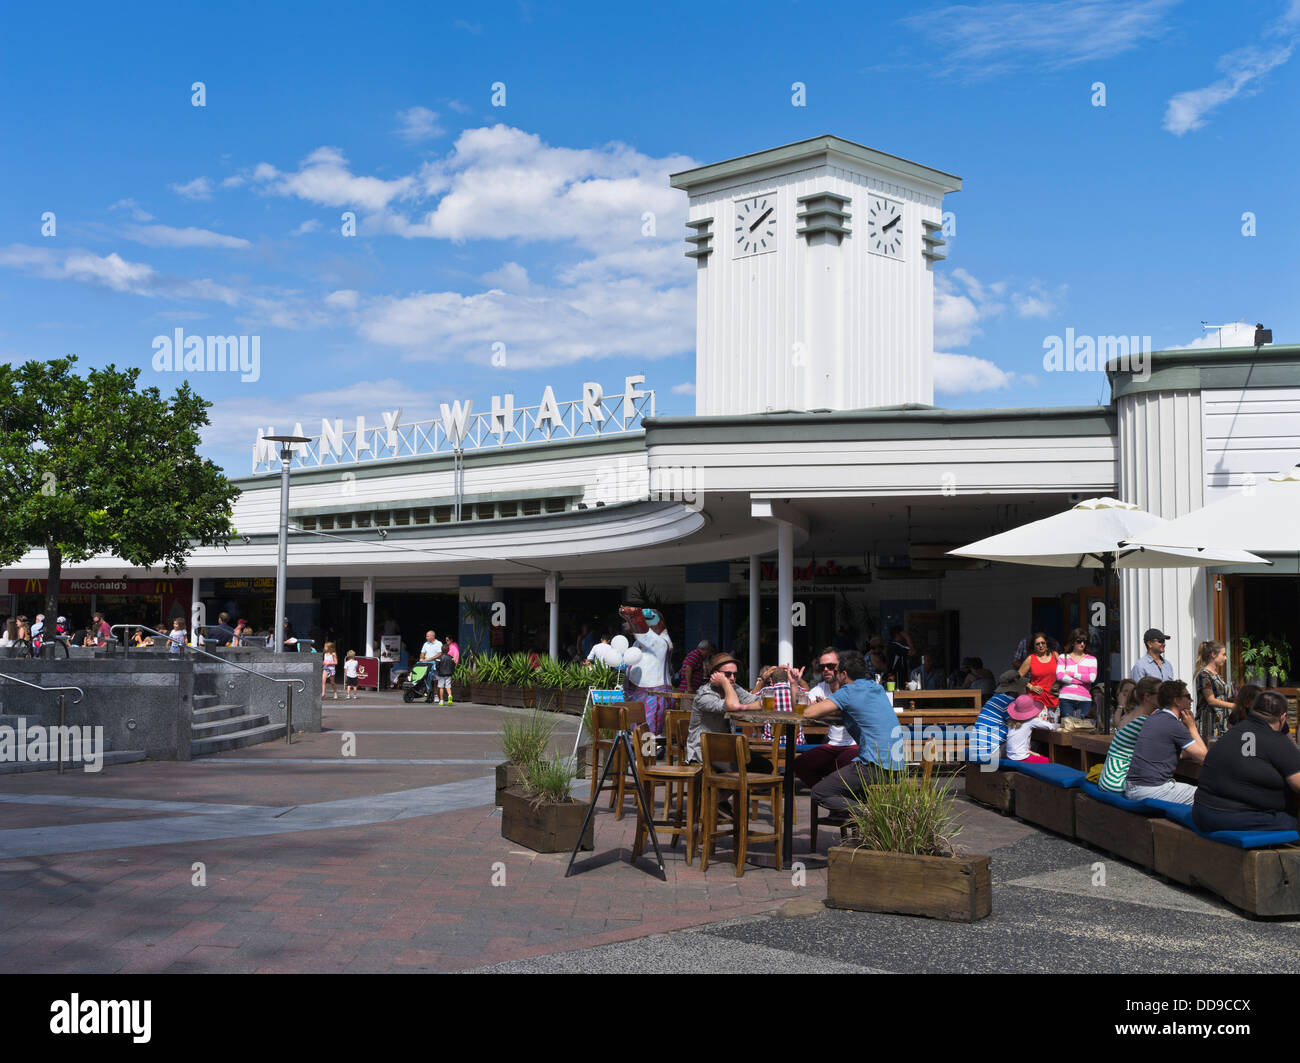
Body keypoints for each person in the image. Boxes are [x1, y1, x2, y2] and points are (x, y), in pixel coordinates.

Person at [803, 650, 906, 813]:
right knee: (843, 781)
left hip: (873, 766)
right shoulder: (875, 687)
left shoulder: (847, 692)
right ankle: (861, 824)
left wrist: (821, 705)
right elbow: (856, 709)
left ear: (843, 674)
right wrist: (830, 706)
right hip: (896, 764)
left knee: (820, 792)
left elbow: (808, 713)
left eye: (836, 671)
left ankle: (870, 815)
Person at [1193, 690, 1300, 833]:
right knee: (1293, 824)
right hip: (1235, 818)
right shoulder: (1278, 741)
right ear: (1283, 717)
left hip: (1202, 813)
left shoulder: (1230, 733)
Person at [1123, 680, 1205, 805]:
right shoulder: (1174, 725)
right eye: (1188, 697)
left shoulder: (1152, 718)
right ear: (1176, 701)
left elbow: (1168, 751)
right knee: (1207, 797)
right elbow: (1204, 757)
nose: (1191, 700)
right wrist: (1192, 726)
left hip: (1131, 788)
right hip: (1150, 790)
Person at [686, 652, 769, 773]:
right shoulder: (704, 695)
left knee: (765, 766)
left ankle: (727, 791)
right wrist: (725, 683)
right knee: (739, 772)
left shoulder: (733, 688)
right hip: (705, 750)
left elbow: (761, 703)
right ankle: (726, 790)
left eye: (735, 674)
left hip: (728, 748)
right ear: (715, 674)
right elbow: (732, 705)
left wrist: (743, 707)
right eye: (728, 674)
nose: (732, 678)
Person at [794, 648, 860, 787]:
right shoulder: (821, 688)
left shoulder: (852, 687)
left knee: (842, 763)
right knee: (799, 764)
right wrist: (795, 683)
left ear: (841, 667)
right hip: (833, 745)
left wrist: (821, 708)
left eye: (830, 666)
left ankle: (836, 799)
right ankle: (827, 797)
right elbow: (801, 707)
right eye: (822, 666)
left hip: (854, 744)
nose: (826, 670)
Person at [1099, 682, 1161, 793]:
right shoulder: (1144, 720)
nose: (1164, 697)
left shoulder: (1132, 715)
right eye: (1160, 693)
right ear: (1147, 696)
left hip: (1109, 778)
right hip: (1117, 781)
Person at [969, 670, 1027, 765]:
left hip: (977, 749)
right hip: (990, 752)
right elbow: (1023, 724)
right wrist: (1024, 697)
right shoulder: (1010, 703)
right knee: (1031, 744)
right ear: (1016, 688)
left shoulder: (996, 698)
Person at [1193, 639, 1234, 740]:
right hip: (1209, 723)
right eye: (1223, 654)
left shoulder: (1217, 675)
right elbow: (1211, 700)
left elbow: (1222, 697)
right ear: (1213, 654)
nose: (1226, 658)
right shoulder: (1204, 675)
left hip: (1220, 722)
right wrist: (1234, 706)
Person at [1057, 627, 1098, 720]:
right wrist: (1083, 680)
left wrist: (1071, 674)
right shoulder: (1063, 657)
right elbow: (1060, 676)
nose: (1082, 644)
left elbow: (1091, 678)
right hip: (1066, 698)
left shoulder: (1092, 659)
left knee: (1083, 729)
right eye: (1079, 641)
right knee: (1069, 728)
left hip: (1085, 699)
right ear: (1073, 642)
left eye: (1085, 641)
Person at [1004, 694, 1059, 762]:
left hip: (1009, 757)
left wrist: (1032, 753)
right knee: (1048, 761)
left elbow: (1017, 745)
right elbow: (1051, 727)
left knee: (1037, 755)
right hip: (1021, 758)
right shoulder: (1031, 721)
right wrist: (1061, 725)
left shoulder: (1011, 721)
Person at [1017, 633, 1060, 718]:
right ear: (1034, 646)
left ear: (1046, 643)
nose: (1041, 645)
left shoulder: (1055, 655)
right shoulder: (1031, 658)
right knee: (1038, 728)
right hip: (1036, 700)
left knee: (1053, 728)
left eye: (1043, 643)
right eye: (1037, 644)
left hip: (1054, 700)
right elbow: (1017, 677)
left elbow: (1064, 674)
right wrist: (1030, 686)